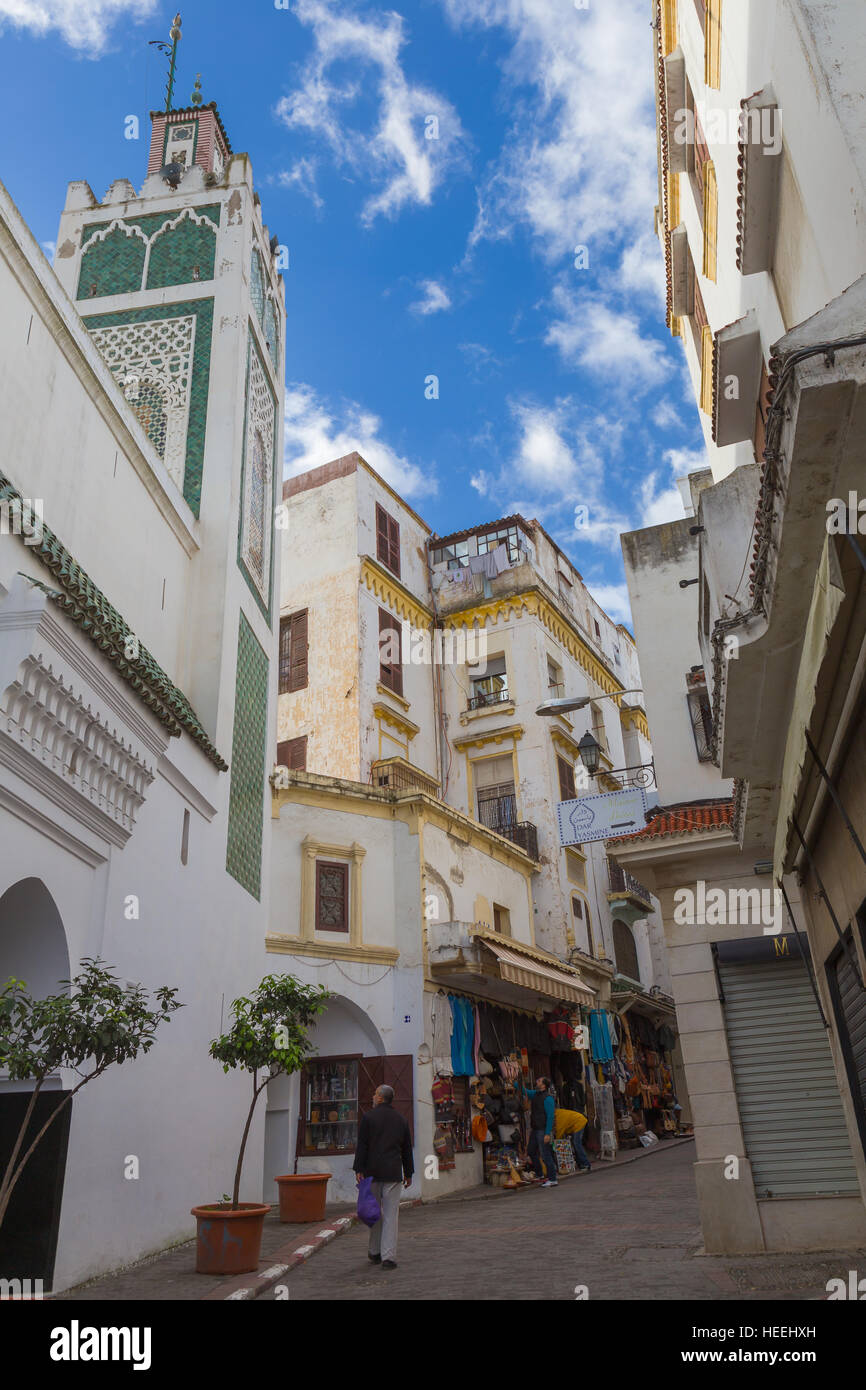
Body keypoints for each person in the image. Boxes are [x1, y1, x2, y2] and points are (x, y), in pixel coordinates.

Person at [353, 1084, 414, 1270]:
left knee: (374, 1212)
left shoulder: (368, 1117)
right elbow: (406, 1149)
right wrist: (408, 1172)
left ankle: (374, 1251)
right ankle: (389, 1257)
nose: (372, 1096)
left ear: (380, 1098)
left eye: (374, 1094)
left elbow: (362, 1145)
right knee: (390, 1216)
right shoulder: (401, 1120)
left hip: (372, 1173)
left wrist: (359, 1168)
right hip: (393, 1173)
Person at [524, 1076, 558, 1186]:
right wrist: (514, 1082)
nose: (536, 1082)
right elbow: (525, 1091)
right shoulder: (535, 1094)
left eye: (538, 1081)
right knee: (531, 1151)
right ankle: (540, 1174)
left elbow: (550, 1116)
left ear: (543, 1085)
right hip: (535, 1129)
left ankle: (552, 1179)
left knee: (545, 1154)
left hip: (543, 1129)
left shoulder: (548, 1098)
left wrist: (548, 1133)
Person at [554, 1107, 592, 1172]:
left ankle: (586, 1164)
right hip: (578, 1121)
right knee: (575, 1144)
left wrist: (555, 1144)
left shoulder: (558, 1117)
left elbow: (559, 1131)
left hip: (579, 1122)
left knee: (577, 1143)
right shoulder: (557, 1113)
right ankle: (581, 1164)